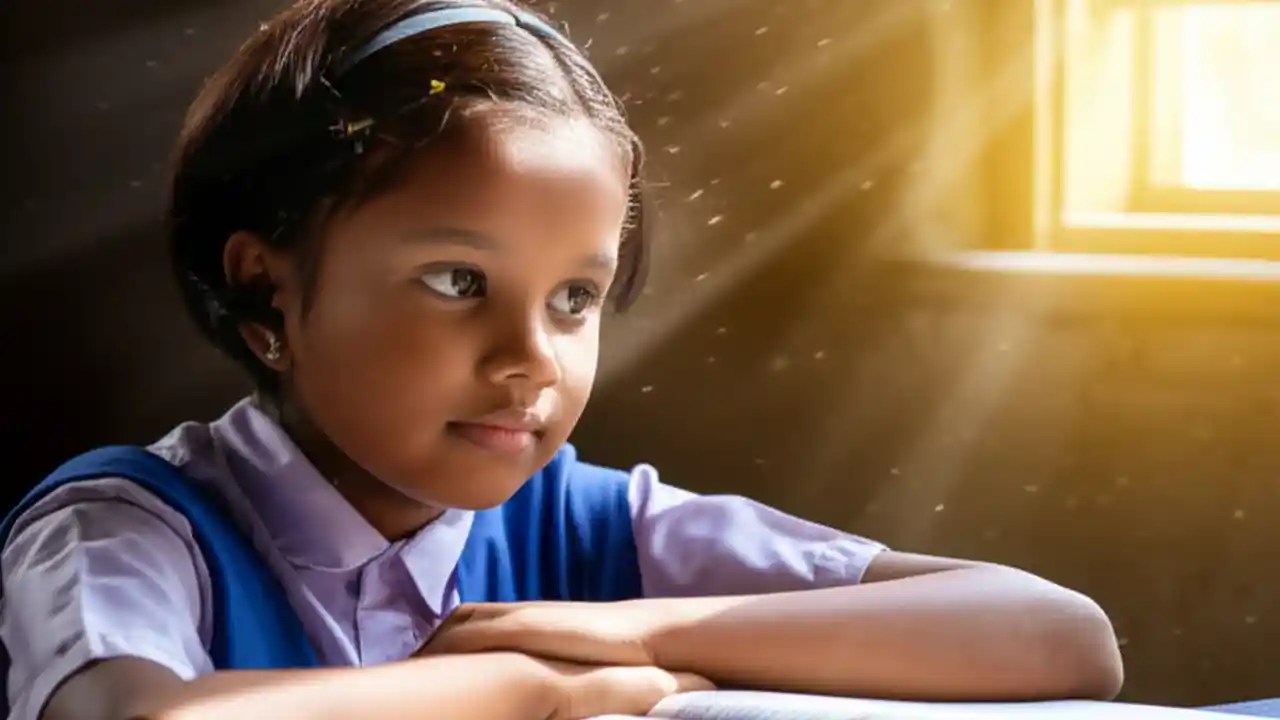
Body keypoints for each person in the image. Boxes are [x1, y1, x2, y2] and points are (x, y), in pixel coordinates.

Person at [0, 2, 1124, 719]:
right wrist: (531, 691)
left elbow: (1058, 636)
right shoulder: (127, 527)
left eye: (576, 298)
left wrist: (641, 628)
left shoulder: (587, 528)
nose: (529, 359)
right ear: (264, 289)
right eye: (457, 282)